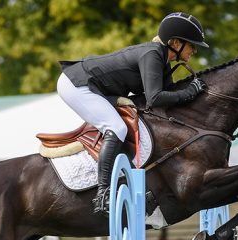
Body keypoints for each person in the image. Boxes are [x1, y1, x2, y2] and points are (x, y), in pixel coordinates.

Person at [57, 12, 208, 214]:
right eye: (191, 44)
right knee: (117, 127)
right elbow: (155, 99)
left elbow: (168, 97)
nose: (194, 50)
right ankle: (103, 193)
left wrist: (195, 92)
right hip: (77, 84)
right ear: (175, 43)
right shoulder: (152, 54)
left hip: (96, 87)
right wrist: (190, 92)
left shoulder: (163, 60)